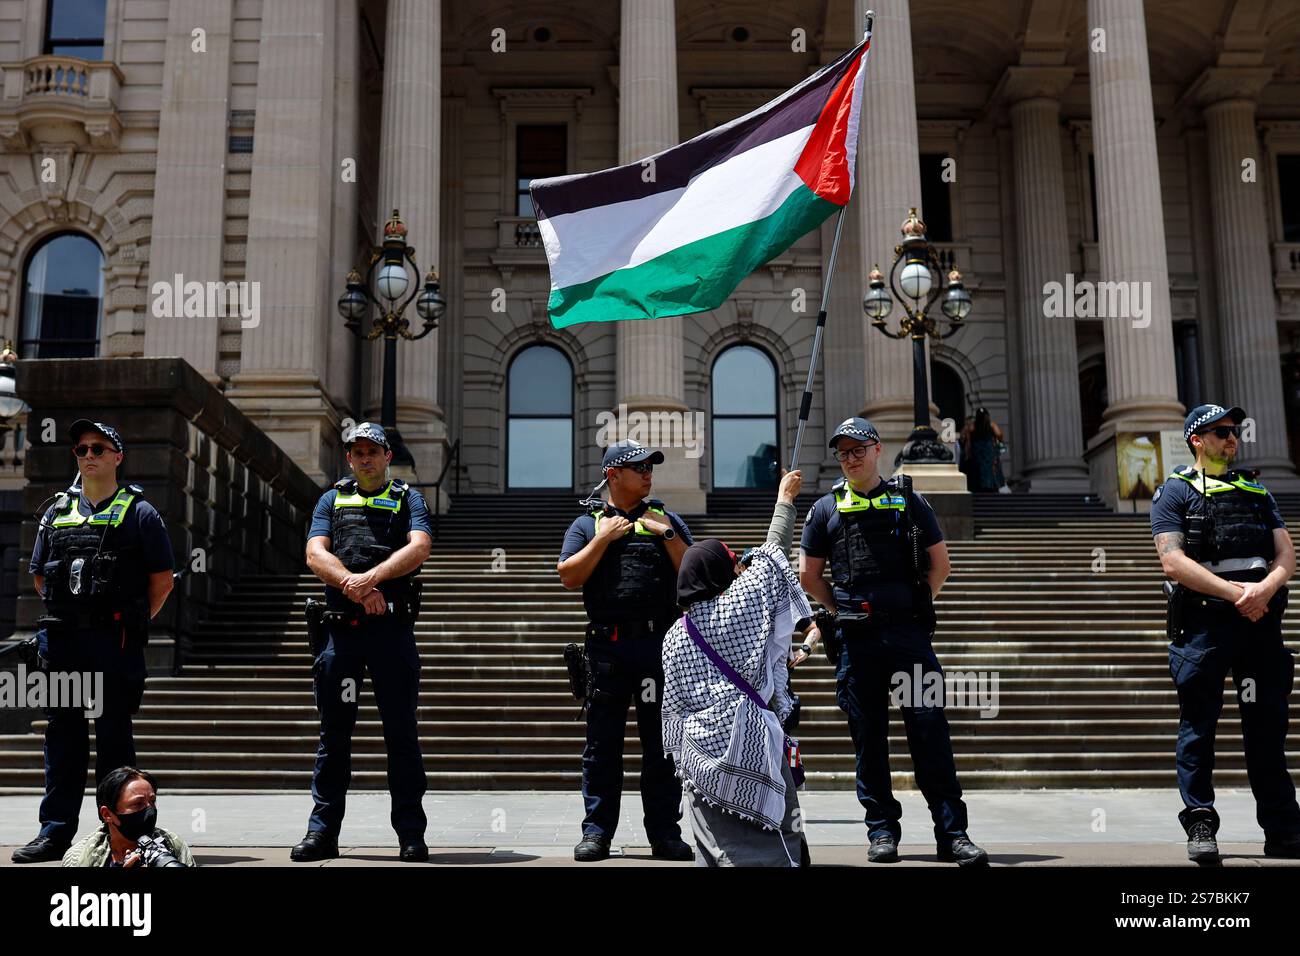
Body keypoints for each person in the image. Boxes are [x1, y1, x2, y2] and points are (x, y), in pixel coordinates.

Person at [799, 417, 988, 867]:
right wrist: (842, 607)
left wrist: (916, 605)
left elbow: (940, 565)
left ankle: (953, 834)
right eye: (843, 452)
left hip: (908, 637)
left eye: (857, 449)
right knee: (869, 740)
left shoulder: (909, 499)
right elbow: (809, 576)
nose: (850, 457)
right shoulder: (825, 508)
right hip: (858, 641)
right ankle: (882, 831)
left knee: (930, 734)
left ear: (877, 449)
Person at [11, 420, 175, 864]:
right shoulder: (56, 510)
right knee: (62, 742)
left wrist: (130, 623)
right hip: (62, 643)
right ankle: (54, 834)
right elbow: (41, 576)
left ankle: (116, 840)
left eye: (99, 448)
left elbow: (162, 581)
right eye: (81, 449)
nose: (88, 455)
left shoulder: (140, 512)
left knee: (114, 744)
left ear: (118, 457)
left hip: (113, 644)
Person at [1151, 403, 1300, 864]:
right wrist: (1238, 594)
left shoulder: (1255, 490)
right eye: (1221, 432)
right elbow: (1172, 561)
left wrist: (1264, 590)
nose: (1232, 439)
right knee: (1198, 730)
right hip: (1205, 626)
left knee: (1267, 732)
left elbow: (1286, 554)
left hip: (1259, 626)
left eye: (1234, 431)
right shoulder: (1174, 492)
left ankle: (1283, 830)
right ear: (1197, 440)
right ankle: (1200, 823)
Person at [290, 422, 432, 863]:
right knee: (333, 738)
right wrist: (356, 587)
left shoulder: (408, 498)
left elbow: (421, 546)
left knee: (402, 737)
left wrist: (373, 578)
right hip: (340, 631)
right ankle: (322, 834)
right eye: (357, 452)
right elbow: (315, 553)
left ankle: (411, 834)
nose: (364, 458)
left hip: (390, 632)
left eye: (372, 451)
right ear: (348, 458)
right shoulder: (330, 498)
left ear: (388, 456)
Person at [662, 469, 817, 866]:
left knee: (715, 850)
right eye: (732, 565)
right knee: (777, 838)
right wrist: (784, 499)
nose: (738, 573)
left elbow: (672, 711)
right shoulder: (734, 610)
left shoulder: (673, 635)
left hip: (699, 757)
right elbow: (772, 554)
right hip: (753, 743)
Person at [557, 440, 695, 862]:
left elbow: (694, 573)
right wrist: (602, 540)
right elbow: (568, 575)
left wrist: (666, 533)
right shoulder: (587, 524)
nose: (648, 473)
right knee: (602, 746)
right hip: (607, 648)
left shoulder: (665, 519)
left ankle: (665, 834)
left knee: (661, 746)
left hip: (658, 646)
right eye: (639, 467)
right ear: (614, 475)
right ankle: (597, 832)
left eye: (650, 467)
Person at [63, 766, 195, 867]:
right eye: (137, 804)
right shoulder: (80, 857)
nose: (149, 811)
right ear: (107, 814)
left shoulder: (172, 844)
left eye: (152, 801)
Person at [960, 407, 1005, 493]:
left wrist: (967, 453)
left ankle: (985, 487)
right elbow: (999, 434)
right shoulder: (990, 425)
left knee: (983, 470)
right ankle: (989, 486)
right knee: (988, 470)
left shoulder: (973, 426)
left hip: (980, 452)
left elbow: (968, 442)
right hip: (985, 451)